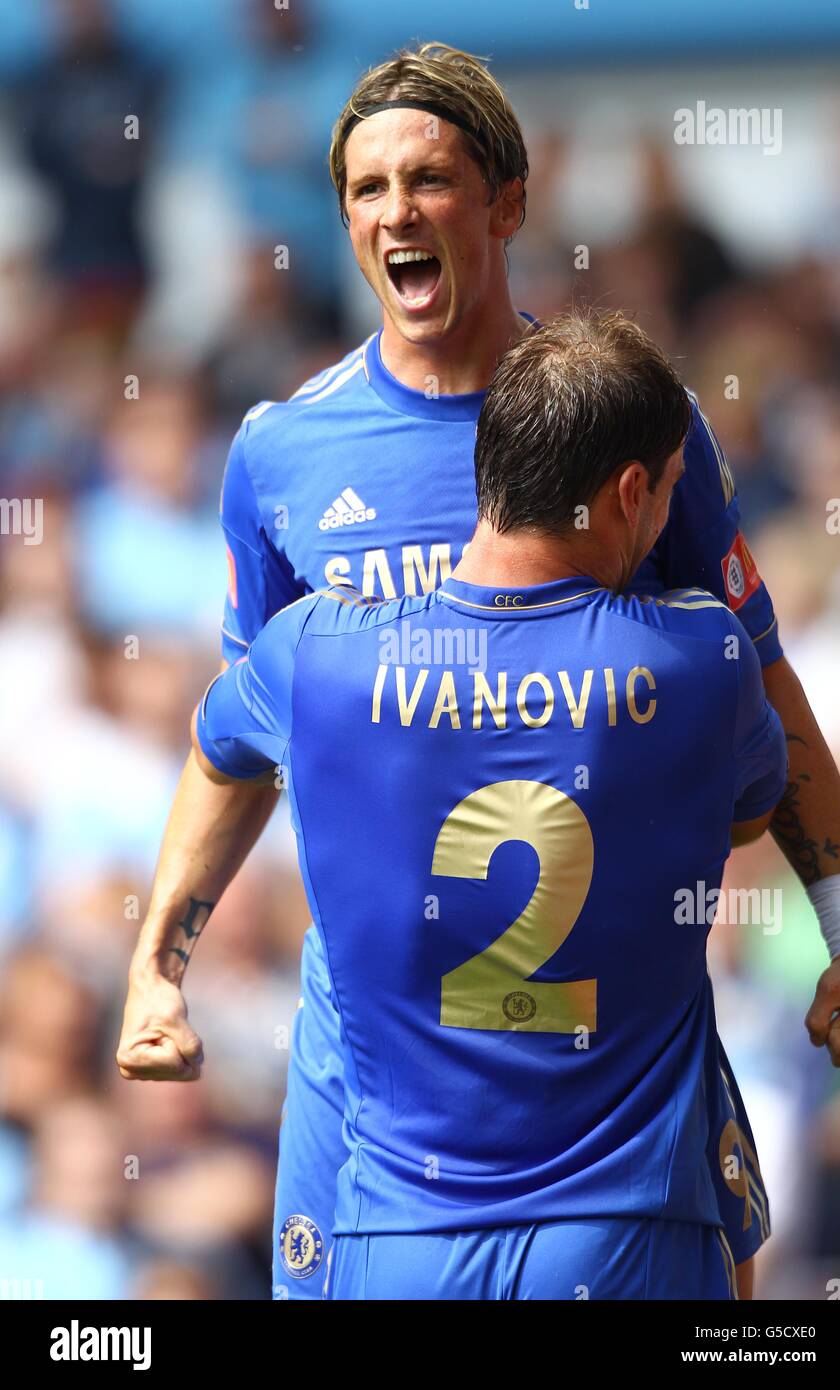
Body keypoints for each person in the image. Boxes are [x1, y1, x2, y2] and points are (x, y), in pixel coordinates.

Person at [116, 43, 840, 1301]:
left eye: (429, 180)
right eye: (363, 190)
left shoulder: (632, 420)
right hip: (378, 1052)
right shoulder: (283, 453)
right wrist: (163, 956)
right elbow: (239, 738)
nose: (394, 214)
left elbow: (764, 675)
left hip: (615, 1035)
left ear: (508, 202)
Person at [190, 310, 787, 1299]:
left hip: (397, 1229)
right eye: (670, 490)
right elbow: (747, 810)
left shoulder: (316, 654)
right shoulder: (698, 657)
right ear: (631, 491)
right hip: (623, 1220)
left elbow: (216, 755)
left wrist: (159, 964)